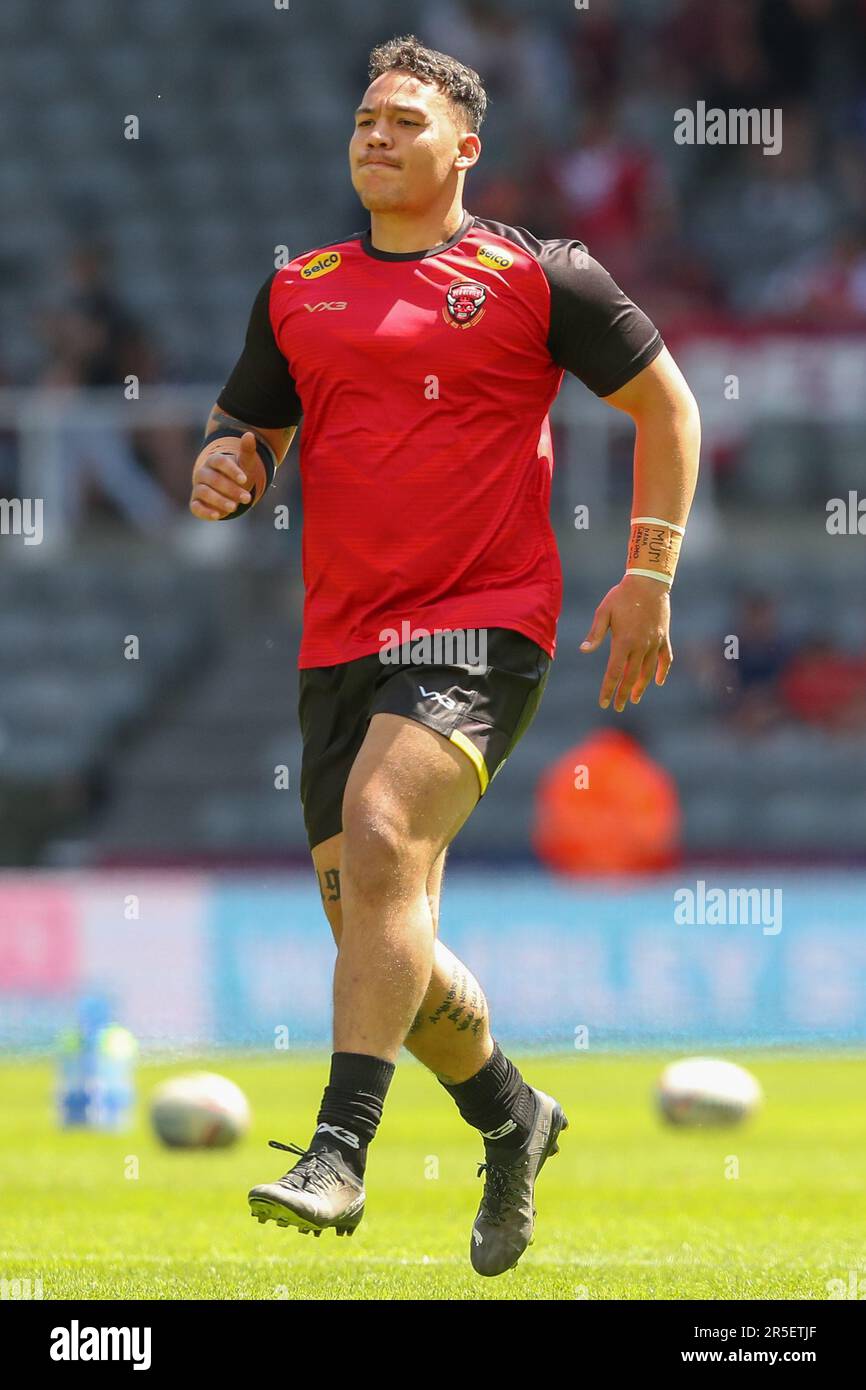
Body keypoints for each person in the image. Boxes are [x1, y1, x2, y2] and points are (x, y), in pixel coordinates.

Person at [187, 34, 700, 1276]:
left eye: (403, 120)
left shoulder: (536, 275)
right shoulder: (297, 287)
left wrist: (648, 576)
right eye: (363, 118)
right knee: (378, 925)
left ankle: (337, 1152)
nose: (374, 136)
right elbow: (245, 426)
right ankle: (511, 1114)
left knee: (380, 837)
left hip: (485, 618)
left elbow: (664, 406)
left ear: (464, 147)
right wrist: (226, 464)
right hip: (338, 641)